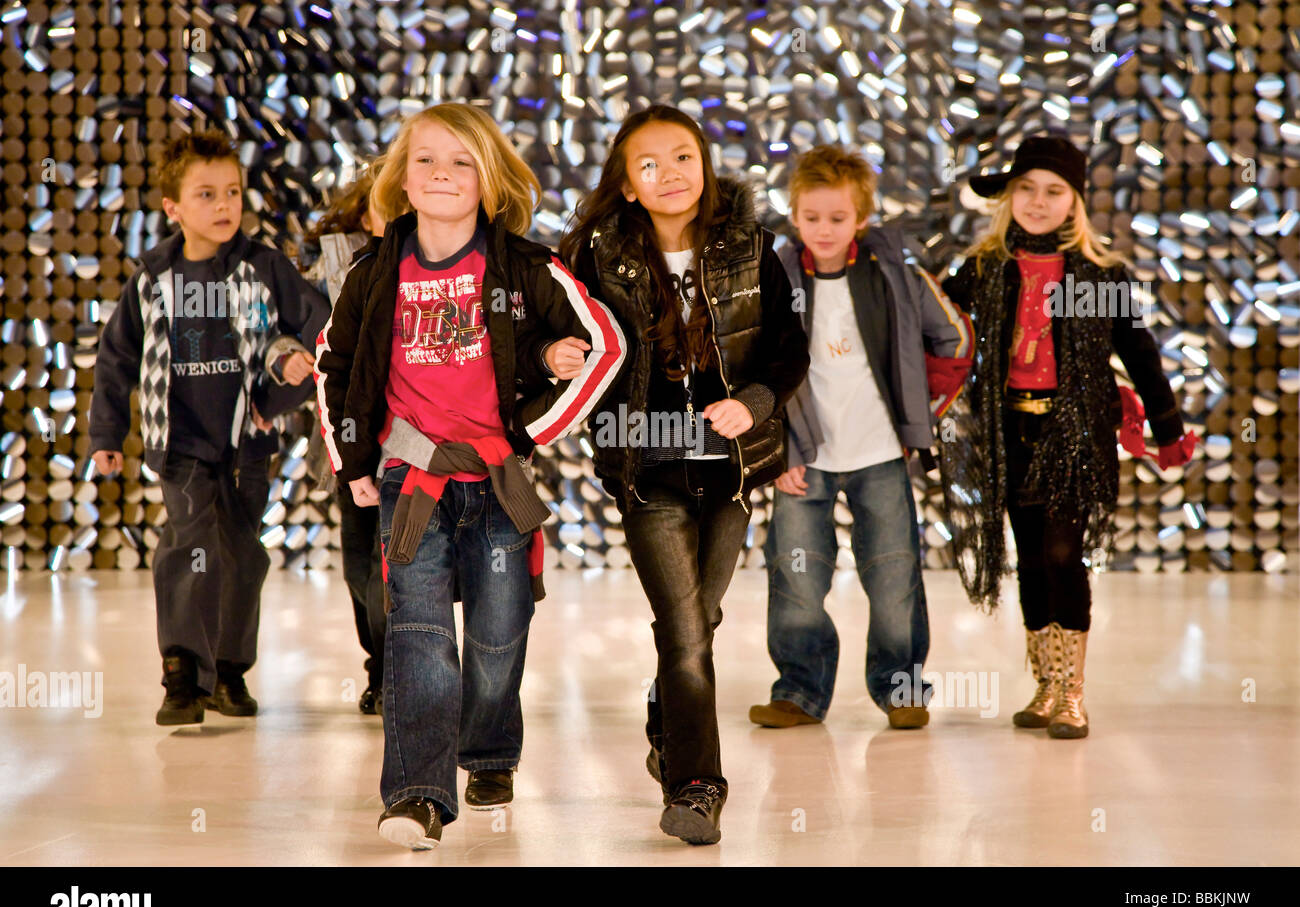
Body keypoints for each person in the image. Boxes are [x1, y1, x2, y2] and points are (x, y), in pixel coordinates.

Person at [314, 102, 625, 849]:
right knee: (417, 634)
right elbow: (336, 364)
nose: (443, 174)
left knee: (496, 632)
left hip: (496, 481)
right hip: (409, 479)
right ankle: (417, 795)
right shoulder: (373, 272)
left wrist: (531, 425)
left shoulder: (526, 266)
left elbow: (603, 345)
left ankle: (488, 749)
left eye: (462, 161)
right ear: (402, 179)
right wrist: (353, 463)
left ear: (491, 181)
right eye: (426, 160)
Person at [560, 104, 809, 845]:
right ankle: (698, 788)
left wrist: (756, 404)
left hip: (731, 475)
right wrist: (561, 357)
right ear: (627, 185)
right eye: (648, 164)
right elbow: (562, 333)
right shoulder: (597, 257)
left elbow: (787, 349)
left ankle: (666, 717)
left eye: (682, 158)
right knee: (685, 630)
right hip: (649, 473)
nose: (669, 174)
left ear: (704, 167)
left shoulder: (753, 248)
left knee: (699, 624)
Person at [940, 134, 1196, 739]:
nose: (1037, 201)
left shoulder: (1098, 274)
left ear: (1074, 202)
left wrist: (1169, 430)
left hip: (1074, 431)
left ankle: (1073, 692)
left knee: (1062, 552)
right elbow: (932, 325)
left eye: (1053, 191)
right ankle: (1044, 685)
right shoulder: (985, 269)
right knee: (1029, 558)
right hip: (1010, 432)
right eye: (1025, 188)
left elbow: (1141, 355)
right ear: (1008, 197)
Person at [88, 129, 329, 725]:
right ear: (172, 209)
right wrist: (105, 435)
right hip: (180, 441)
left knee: (243, 555)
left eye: (232, 193)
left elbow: (319, 326)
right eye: (206, 195)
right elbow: (117, 359)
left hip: (246, 440)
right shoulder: (152, 279)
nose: (224, 206)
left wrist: (290, 379)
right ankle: (182, 674)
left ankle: (228, 671)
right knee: (191, 543)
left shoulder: (264, 267)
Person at [751, 144, 973, 732]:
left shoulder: (895, 275)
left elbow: (955, 340)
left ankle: (901, 690)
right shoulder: (770, 281)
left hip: (881, 455)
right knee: (797, 577)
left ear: (862, 219)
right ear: (794, 216)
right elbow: (749, 372)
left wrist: (915, 418)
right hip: (803, 459)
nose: (824, 229)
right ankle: (799, 690)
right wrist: (774, 451)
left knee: (894, 576)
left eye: (838, 218)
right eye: (812, 217)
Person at [299, 161, 389, 716]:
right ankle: (380, 664)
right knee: (361, 565)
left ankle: (405, 669)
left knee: (402, 564)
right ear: (362, 209)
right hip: (350, 438)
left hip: (416, 436)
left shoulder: (440, 257)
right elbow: (295, 328)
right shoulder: (332, 264)